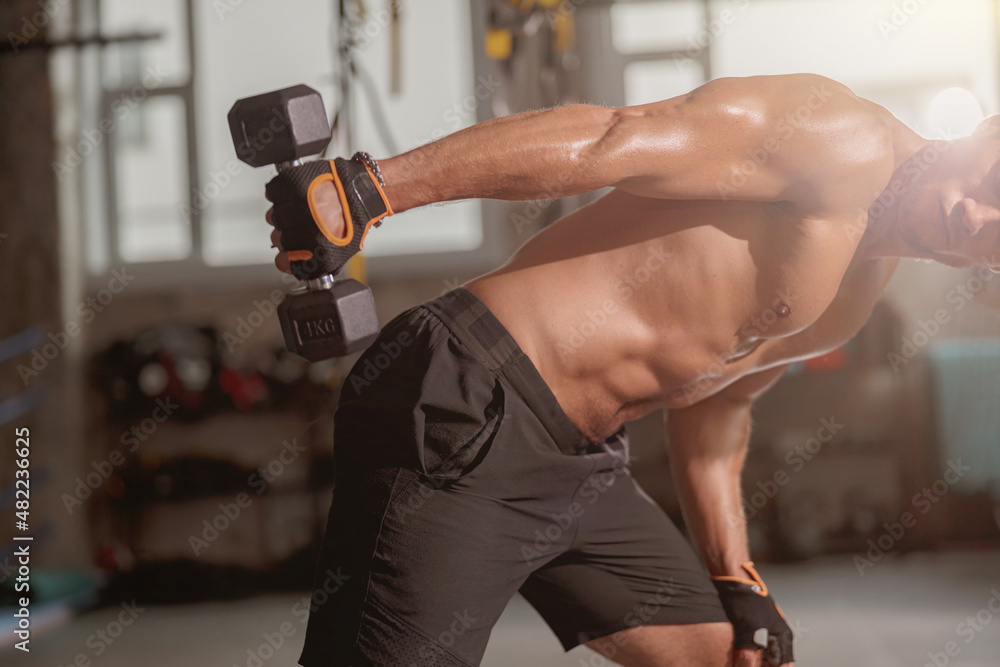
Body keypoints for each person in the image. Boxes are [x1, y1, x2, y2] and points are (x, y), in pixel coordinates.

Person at [264, 73, 1000, 667]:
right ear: (987, 133)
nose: (978, 219)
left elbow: (716, 409)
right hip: (474, 395)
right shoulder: (844, 140)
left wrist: (734, 576)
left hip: (578, 464)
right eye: (994, 186)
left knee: (726, 656)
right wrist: (370, 188)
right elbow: (619, 136)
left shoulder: (853, 298)